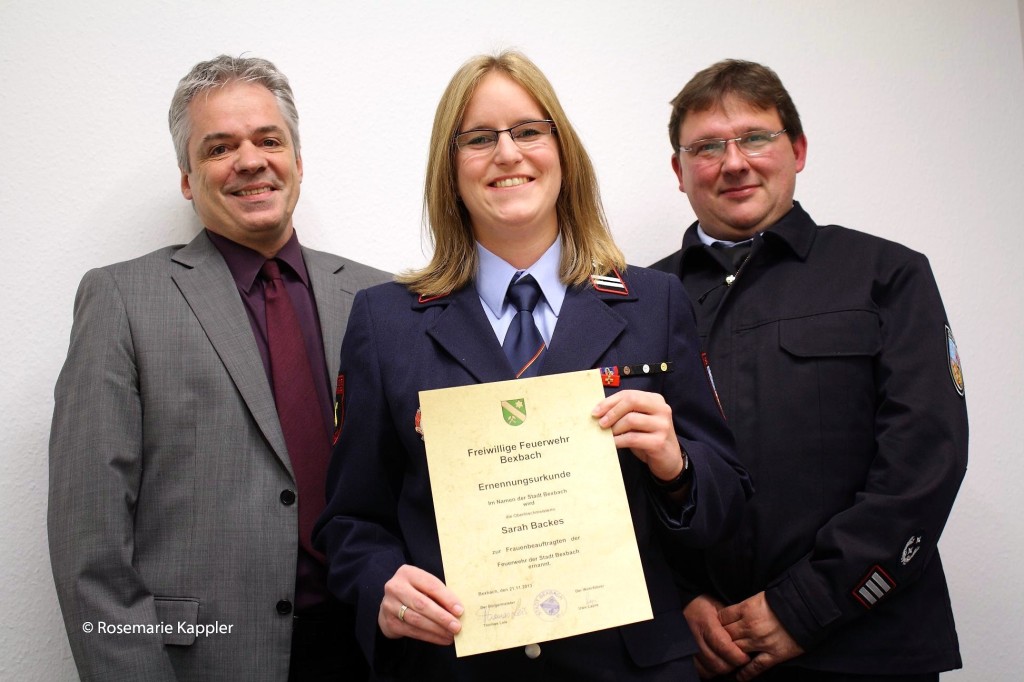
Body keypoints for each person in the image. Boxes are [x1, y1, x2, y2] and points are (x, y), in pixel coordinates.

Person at [313, 50, 752, 682]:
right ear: (450, 167)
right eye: (480, 138)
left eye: (528, 132)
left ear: (562, 152)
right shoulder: (385, 322)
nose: (508, 154)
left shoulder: (654, 302)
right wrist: (383, 585)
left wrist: (675, 465)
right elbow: (352, 521)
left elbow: (727, 504)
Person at [48, 55, 390, 681]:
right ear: (187, 177)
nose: (251, 160)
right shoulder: (123, 300)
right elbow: (88, 543)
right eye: (219, 147)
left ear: (298, 160)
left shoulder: (381, 298)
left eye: (269, 140)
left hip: (376, 648)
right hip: (207, 659)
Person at [650, 59, 968, 681]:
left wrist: (804, 606)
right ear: (679, 172)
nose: (734, 162)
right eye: (707, 146)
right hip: (699, 657)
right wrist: (678, 601)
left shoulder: (886, 274)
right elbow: (619, 485)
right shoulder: (636, 302)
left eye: (756, 138)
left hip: (867, 648)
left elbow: (924, 459)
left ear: (797, 149)